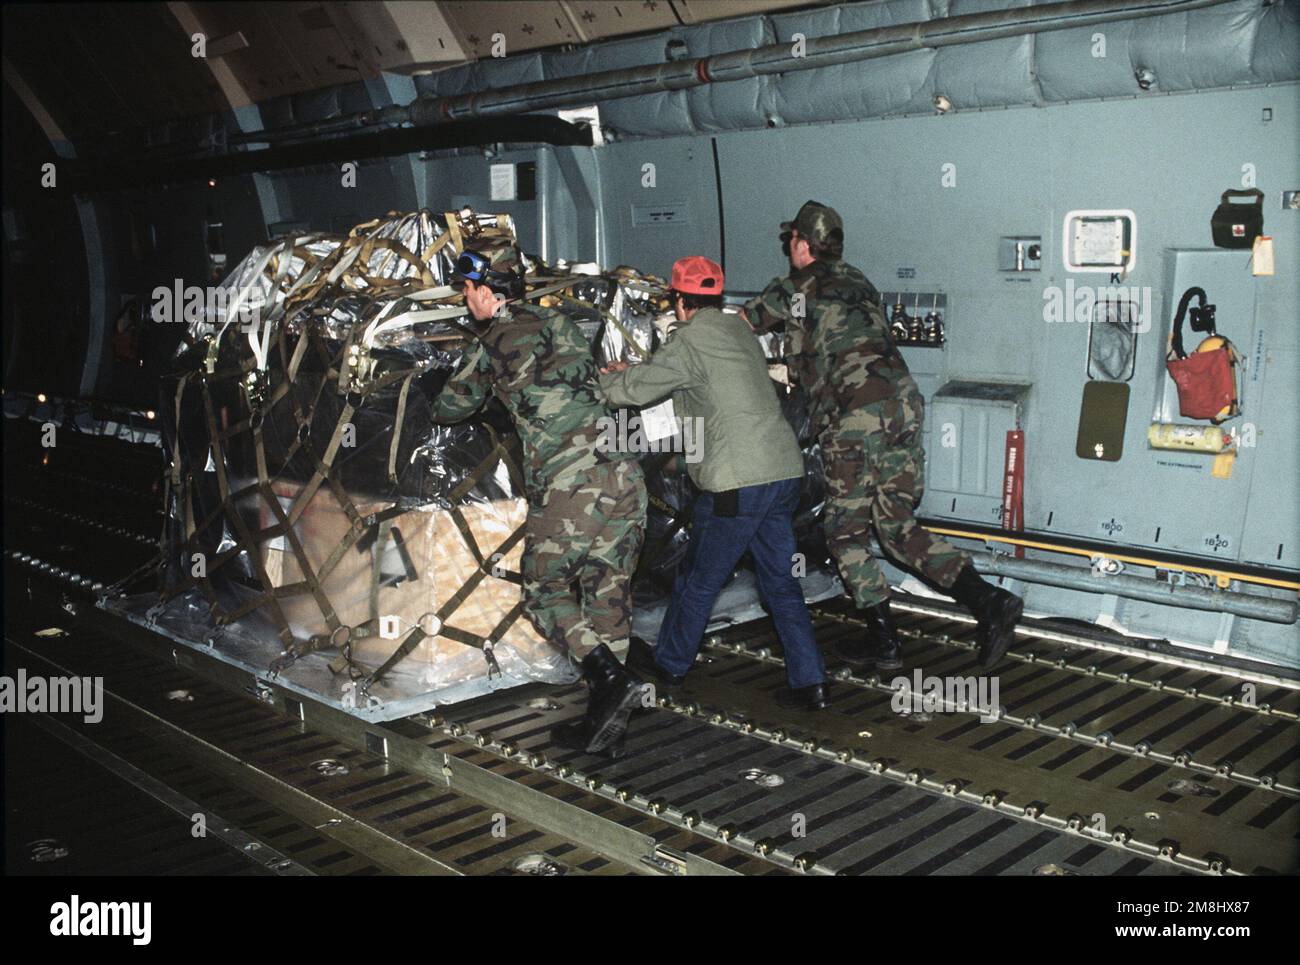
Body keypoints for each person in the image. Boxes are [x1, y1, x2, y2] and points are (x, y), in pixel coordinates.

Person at [745, 201, 1023, 670]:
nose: (787, 247)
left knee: (844, 533)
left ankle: (884, 643)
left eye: (790, 239)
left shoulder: (795, 287)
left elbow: (744, 325)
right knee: (895, 526)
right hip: (903, 406)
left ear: (802, 243)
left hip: (855, 417)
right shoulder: (860, 283)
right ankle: (988, 601)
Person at [431, 241, 649, 756]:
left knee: (543, 590)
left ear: (489, 292)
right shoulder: (565, 324)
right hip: (625, 476)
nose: (466, 300)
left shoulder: (490, 341)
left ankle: (608, 681)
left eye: (468, 290)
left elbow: (450, 407)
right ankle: (609, 725)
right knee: (607, 592)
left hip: (572, 487)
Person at [600, 256, 829, 710]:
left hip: (735, 484)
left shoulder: (688, 341)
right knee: (780, 582)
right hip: (782, 473)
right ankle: (811, 681)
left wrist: (604, 379)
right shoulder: (740, 332)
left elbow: (634, 391)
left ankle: (669, 664)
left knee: (699, 577)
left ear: (680, 302)